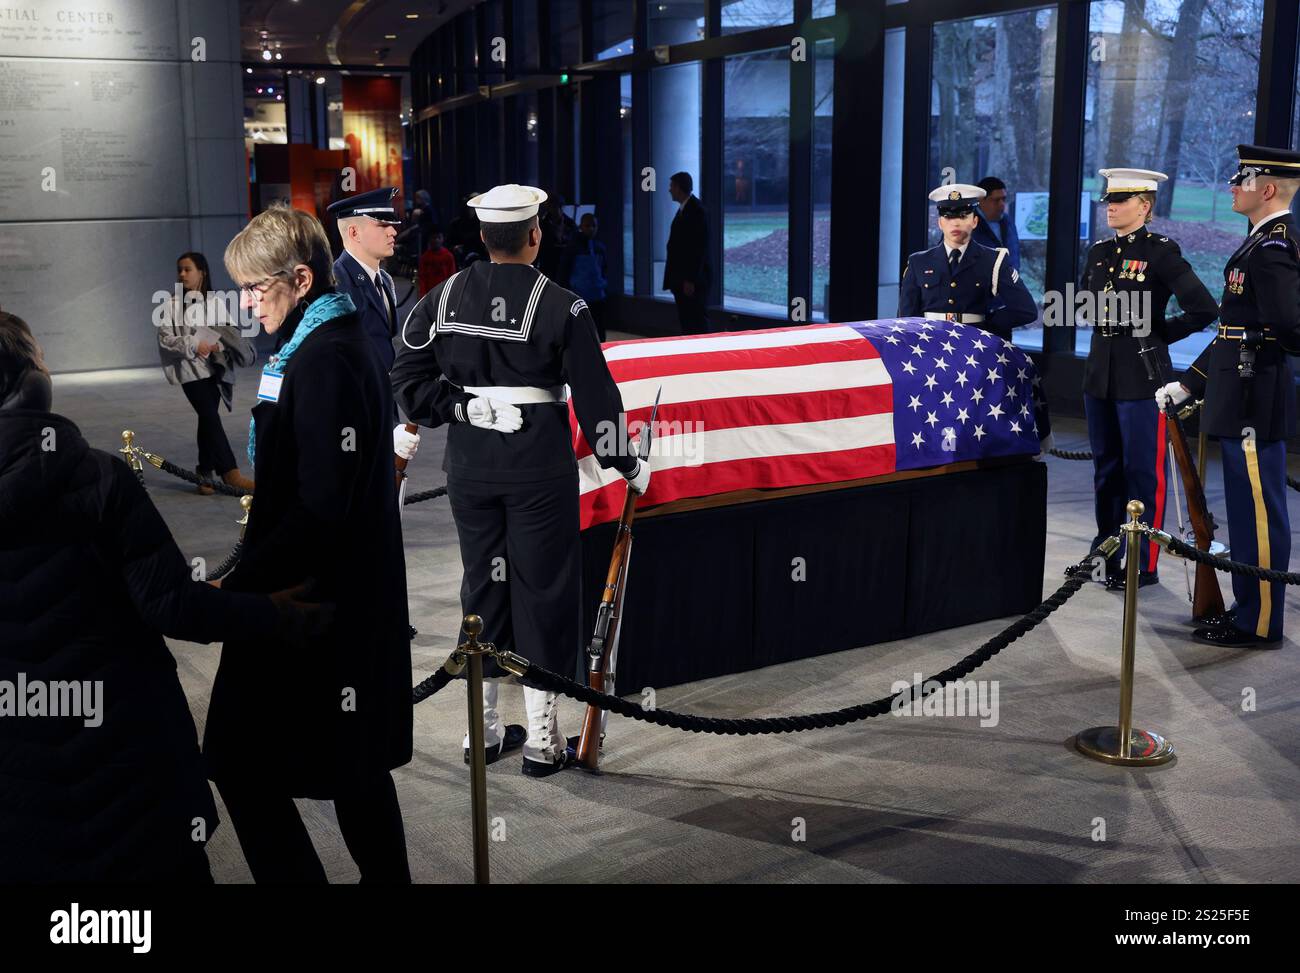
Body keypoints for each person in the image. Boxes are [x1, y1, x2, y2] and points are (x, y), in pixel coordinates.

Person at [0, 309, 326, 882]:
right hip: (128, 756)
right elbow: (172, 605)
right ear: (33, 383)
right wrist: (273, 612)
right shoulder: (97, 478)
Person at [391, 184, 649, 777]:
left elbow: (405, 376)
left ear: (482, 237)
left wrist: (461, 407)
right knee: (544, 592)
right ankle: (540, 741)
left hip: (471, 466)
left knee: (483, 586)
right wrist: (626, 464)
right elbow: (597, 401)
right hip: (537, 468)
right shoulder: (565, 305)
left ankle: (480, 733)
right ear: (536, 236)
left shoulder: (440, 298)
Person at [207, 204, 413, 881]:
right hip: (330, 603)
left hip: (313, 608)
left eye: (254, 288)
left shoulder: (323, 359)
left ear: (300, 278)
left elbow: (319, 507)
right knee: (351, 770)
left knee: (240, 761)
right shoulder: (321, 344)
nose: (244, 303)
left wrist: (235, 588)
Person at [1157, 144, 1300, 647]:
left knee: (1260, 514)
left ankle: (1261, 624)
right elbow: (1234, 328)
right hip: (1240, 390)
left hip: (1254, 396)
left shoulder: (1274, 247)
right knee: (1243, 510)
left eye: (1241, 180)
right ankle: (1247, 609)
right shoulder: (1258, 244)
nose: (1232, 187)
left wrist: (1263, 354)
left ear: (1265, 189)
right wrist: (1190, 381)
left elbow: (1287, 326)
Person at [1080, 168, 1218, 591]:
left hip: (1142, 374)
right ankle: (1106, 550)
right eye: (1109, 200)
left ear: (1145, 205)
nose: (1111, 206)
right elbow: (1087, 309)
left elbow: (1204, 309)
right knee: (1106, 469)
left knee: (1143, 471)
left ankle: (1143, 562)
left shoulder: (1160, 251)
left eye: (1121, 200)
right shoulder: (1099, 251)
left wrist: (1156, 332)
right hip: (1100, 371)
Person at [899, 183, 1050, 448]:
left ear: (975, 220)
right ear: (940, 222)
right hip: (932, 351)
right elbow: (906, 316)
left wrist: (987, 326)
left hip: (977, 353)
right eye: (948, 216)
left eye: (963, 215)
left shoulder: (993, 260)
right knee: (934, 420)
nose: (955, 222)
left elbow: (1025, 309)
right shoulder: (919, 262)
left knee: (974, 422)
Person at [156, 251, 257, 495]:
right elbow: (164, 339)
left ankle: (204, 472)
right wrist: (193, 344)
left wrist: (216, 345)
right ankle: (230, 472)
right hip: (190, 372)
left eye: (187, 269)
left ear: (202, 272)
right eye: (180, 269)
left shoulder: (215, 302)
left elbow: (228, 334)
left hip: (214, 369)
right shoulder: (170, 304)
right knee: (210, 416)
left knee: (207, 419)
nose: (182, 274)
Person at [327, 187, 403, 373]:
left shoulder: (384, 279)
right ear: (354, 233)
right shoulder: (338, 282)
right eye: (383, 225)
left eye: (391, 224)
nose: (393, 231)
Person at [664, 171, 711, 335]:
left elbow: (699, 248)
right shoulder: (685, 210)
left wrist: (690, 279)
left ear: (678, 188)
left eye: (671, 186)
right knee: (687, 319)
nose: (669, 190)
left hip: (690, 281)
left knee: (695, 319)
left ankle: (702, 355)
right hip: (682, 279)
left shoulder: (696, 211)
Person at [560, 212, 609, 341]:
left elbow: (604, 269)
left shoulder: (600, 248)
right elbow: (565, 272)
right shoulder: (572, 248)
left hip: (598, 294)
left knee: (600, 328)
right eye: (587, 225)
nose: (591, 228)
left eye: (594, 225)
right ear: (581, 226)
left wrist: (603, 284)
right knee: (579, 331)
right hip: (579, 295)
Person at [971, 176, 1021, 270]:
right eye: (996, 200)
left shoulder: (1008, 222)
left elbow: (1015, 255)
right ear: (981, 200)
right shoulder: (967, 226)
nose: (1002, 204)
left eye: (1003, 199)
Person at [418, 227, 457, 298]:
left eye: (439, 237)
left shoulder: (448, 256)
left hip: (444, 291)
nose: (436, 240)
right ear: (429, 239)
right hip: (429, 293)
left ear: (443, 239)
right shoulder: (425, 258)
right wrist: (422, 293)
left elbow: (452, 275)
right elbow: (422, 277)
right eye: (433, 238)